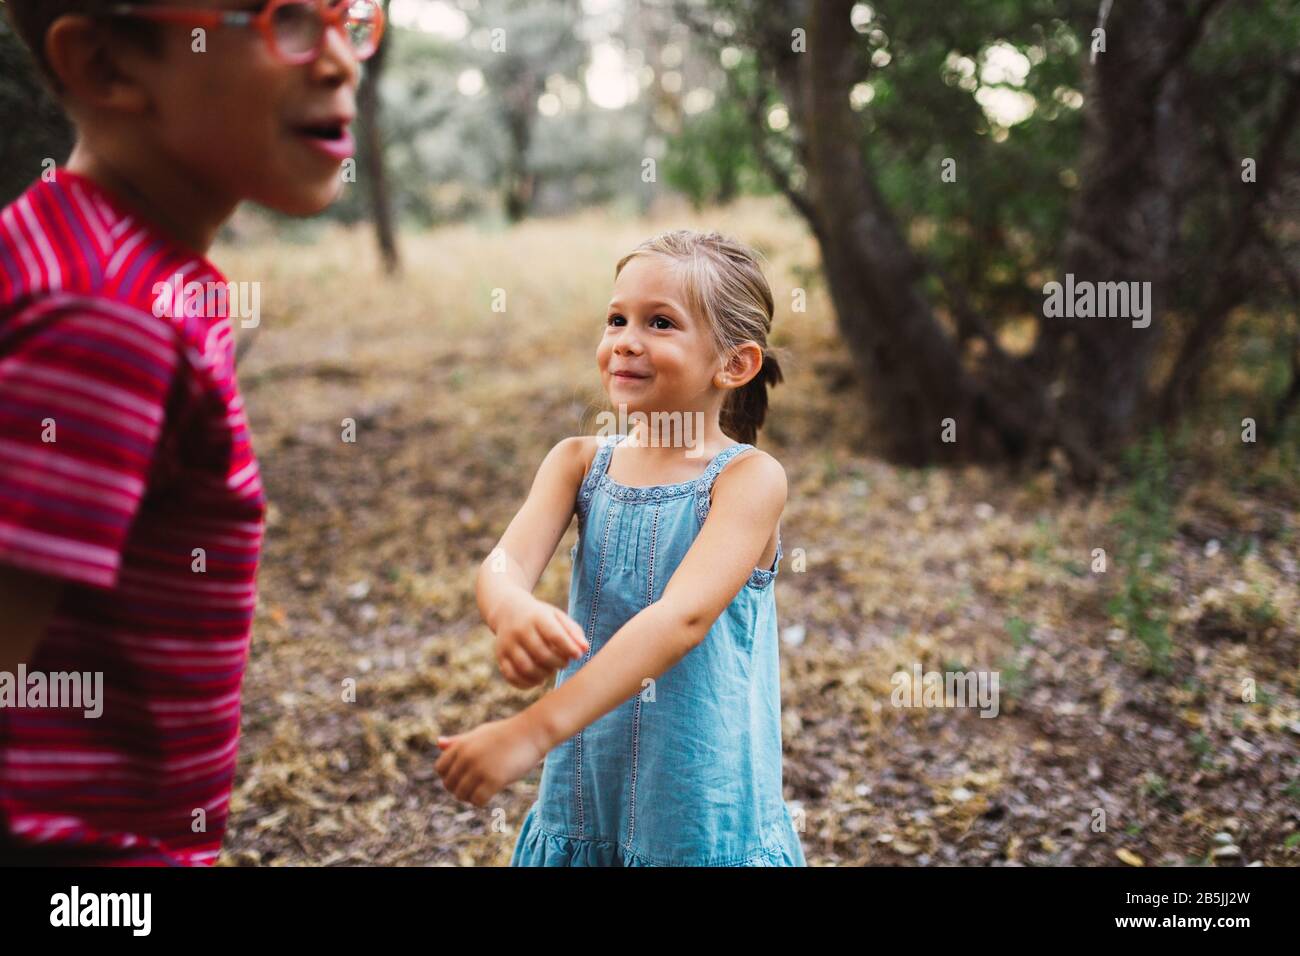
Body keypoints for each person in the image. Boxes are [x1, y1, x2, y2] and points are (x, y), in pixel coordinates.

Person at [0, 0, 384, 865]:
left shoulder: (106, 258)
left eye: (349, 17)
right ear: (107, 66)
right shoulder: (103, 318)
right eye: (285, 19)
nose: (338, 63)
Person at [436, 229, 806, 866]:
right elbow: (505, 563)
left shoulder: (748, 481)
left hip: (694, 805)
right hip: (587, 785)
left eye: (660, 322)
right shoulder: (577, 463)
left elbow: (679, 620)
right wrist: (511, 611)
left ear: (734, 364)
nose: (625, 340)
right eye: (616, 319)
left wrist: (530, 731)